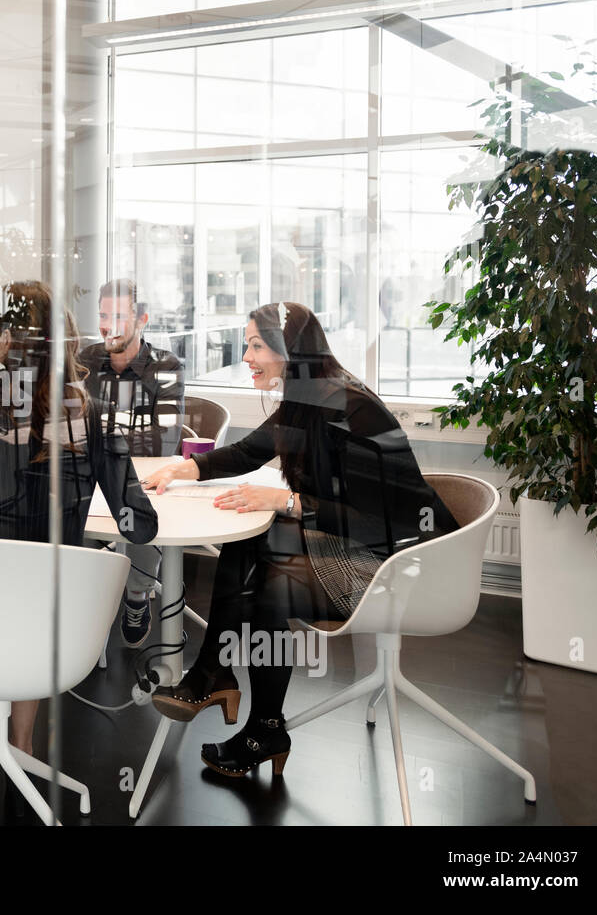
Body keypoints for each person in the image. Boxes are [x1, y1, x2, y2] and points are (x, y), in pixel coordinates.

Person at [142, 302, 459, 777]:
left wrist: (285, 502)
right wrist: (183, 468)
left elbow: (380, 520)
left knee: (271, 579)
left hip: (404, 559)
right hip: (358, 542)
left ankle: (249, 710)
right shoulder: (310, 398)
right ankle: (220, 680)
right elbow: (250, 451)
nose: (246, 356)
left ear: (289, 351)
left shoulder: (348, 409)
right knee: (251, 543)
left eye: (255, 345)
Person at [0, 281, 158, 757]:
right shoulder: (93, 416)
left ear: (9, 339)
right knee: (31, 597)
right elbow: (139, 526)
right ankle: (24, 745)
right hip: (55, 610)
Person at [79, 279, 185, 648]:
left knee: (138, 507)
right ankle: (80, 601)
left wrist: (101, 437)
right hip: (90, 475)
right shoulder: (85, 362)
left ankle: (137, 597)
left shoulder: (166, 366)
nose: (109, 325)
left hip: (141, 475)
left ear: (142, 319)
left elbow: (166, 438)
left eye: (120, 316)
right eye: (103, 316)